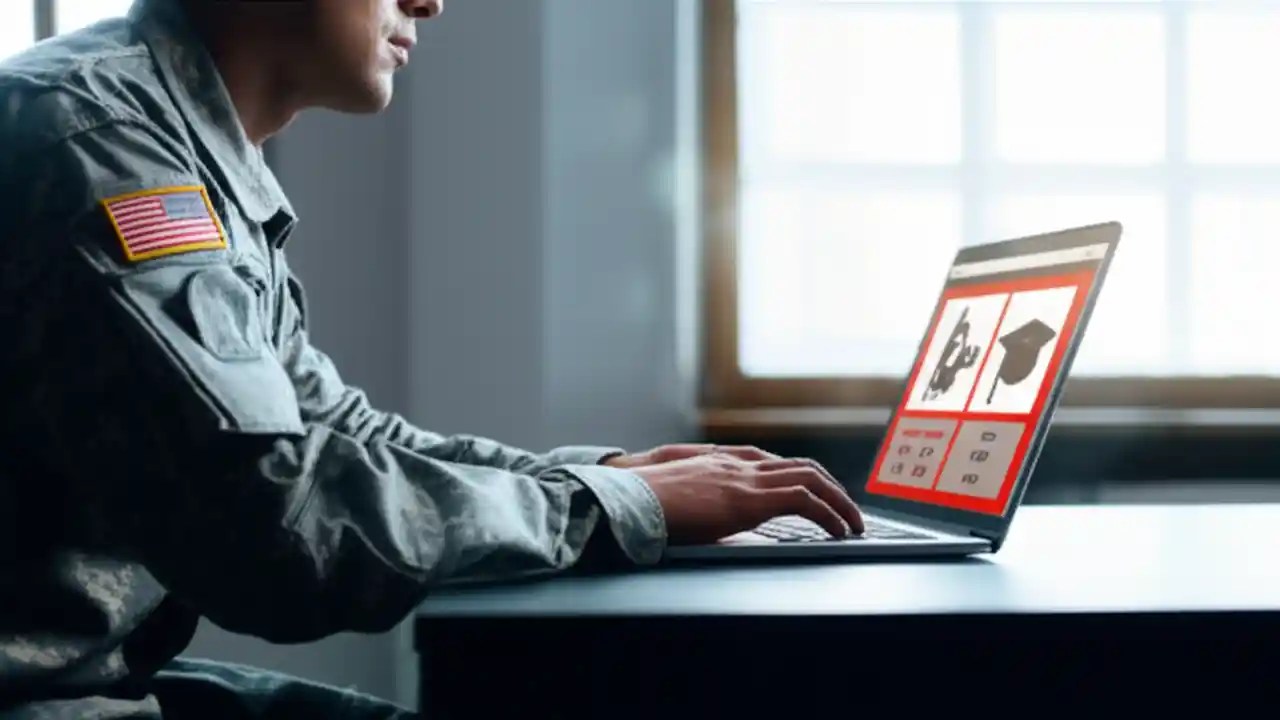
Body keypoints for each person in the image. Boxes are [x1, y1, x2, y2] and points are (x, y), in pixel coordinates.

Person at [0, 0, 864, 717]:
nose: (429, 1)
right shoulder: (102, 143)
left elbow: (331, 427)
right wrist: (608, 506)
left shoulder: (178, 142)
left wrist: (607, 477)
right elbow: (269, 530)